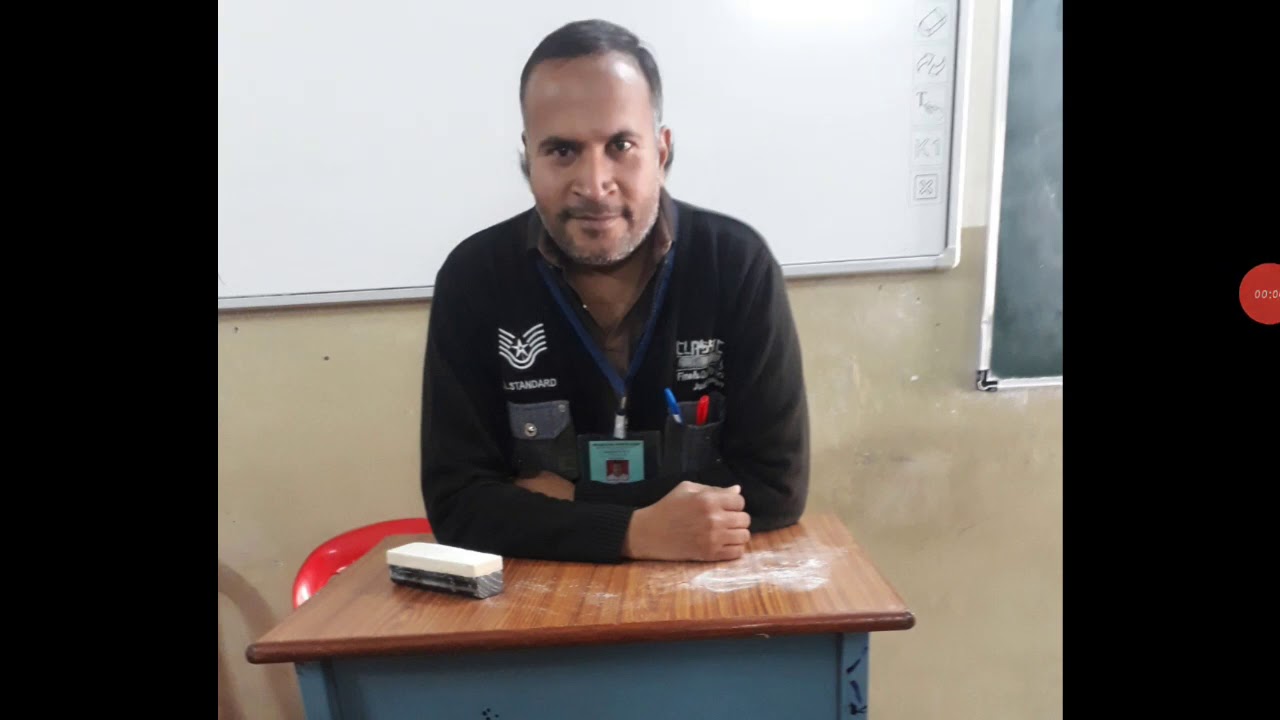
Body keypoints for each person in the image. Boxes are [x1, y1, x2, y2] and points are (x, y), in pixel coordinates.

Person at [420, 19, 808, 563]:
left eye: (621, 145)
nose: (594, 183)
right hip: (537, 599)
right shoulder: (474, 278)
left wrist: (568, 502)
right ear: (528, 157)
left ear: (662, 151)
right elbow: (458, 506)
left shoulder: (736, 264)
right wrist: (637, 530)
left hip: (706, 592)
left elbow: (775, 487)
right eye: (562, 150)